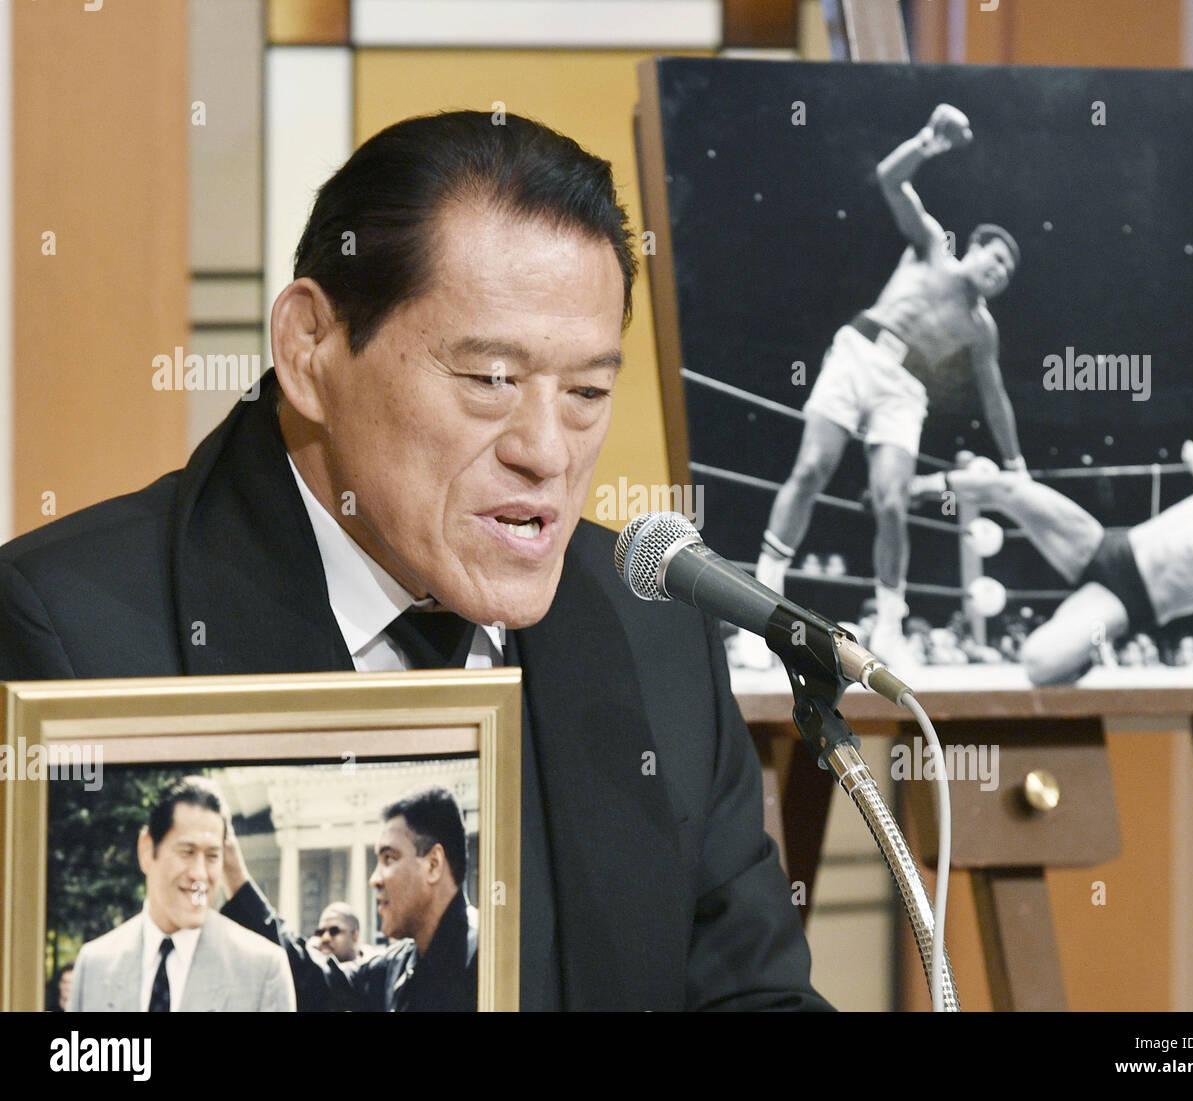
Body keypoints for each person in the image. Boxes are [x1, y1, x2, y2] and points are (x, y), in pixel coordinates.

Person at [0, 111, 828, 1011]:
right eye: (491, 381)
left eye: (588, 392)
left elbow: (753, 999)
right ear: (310, 349)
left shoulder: (655, 623)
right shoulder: (70, 633)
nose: (547, 452)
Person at [738, 103, 1025, 670]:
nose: (998, 272)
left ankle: (890, 623)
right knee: (812, 468)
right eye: (995, 258)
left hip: (904, 391)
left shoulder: (981, 328)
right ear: (974, 248)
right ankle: (761, 610)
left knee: (893, 501)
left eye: (1007, 274)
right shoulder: (930, 248)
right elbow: (891, 180)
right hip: (859, 353)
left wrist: (1015, 461)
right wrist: (927, 142)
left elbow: (995, 398)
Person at [913, 438, 1193, 684]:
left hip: (1125, 601)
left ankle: (1083, 656)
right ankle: (918, 487)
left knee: (1037, 663)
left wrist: (1183, 693)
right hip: (1105, 546)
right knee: (1011, 489)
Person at [223, 785, 476, 1012]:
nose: (374, 879)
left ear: (433, 865)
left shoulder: (493, 960)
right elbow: (318, 981)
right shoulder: (396, 968)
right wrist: (236, 878)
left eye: (390, 858)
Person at [65, 777, 295, 1012]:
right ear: (146, 850)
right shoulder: (95, 965)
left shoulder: (263, 970)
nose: (200, 874)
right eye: (187, 852)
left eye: (212, 856)